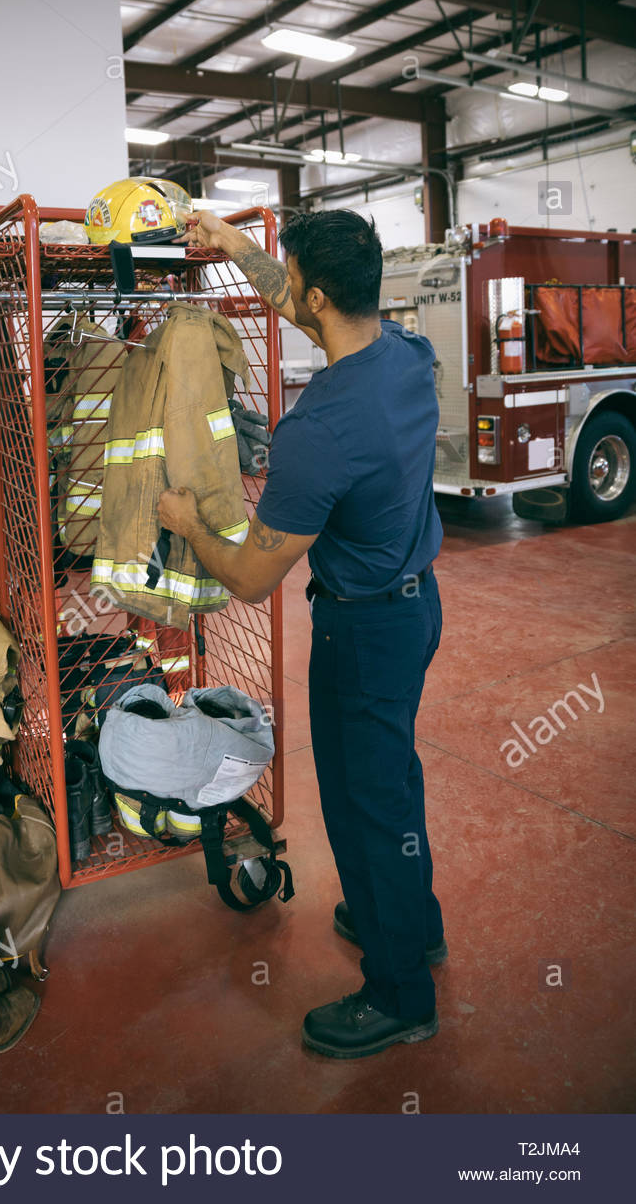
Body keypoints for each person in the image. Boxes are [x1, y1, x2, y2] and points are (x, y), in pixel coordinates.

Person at [157, 207, 446, 1060]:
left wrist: (188, 519)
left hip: (361, 631)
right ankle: (411, 921)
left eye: (294, 282)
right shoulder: (406, 355)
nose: (292, 297)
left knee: (365, 803)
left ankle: (400, 992)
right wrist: (237, 245)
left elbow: (249, 577)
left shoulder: (318, 430)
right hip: (417, 605)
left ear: (319, 296)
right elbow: (298, 299)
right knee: (394, 779)